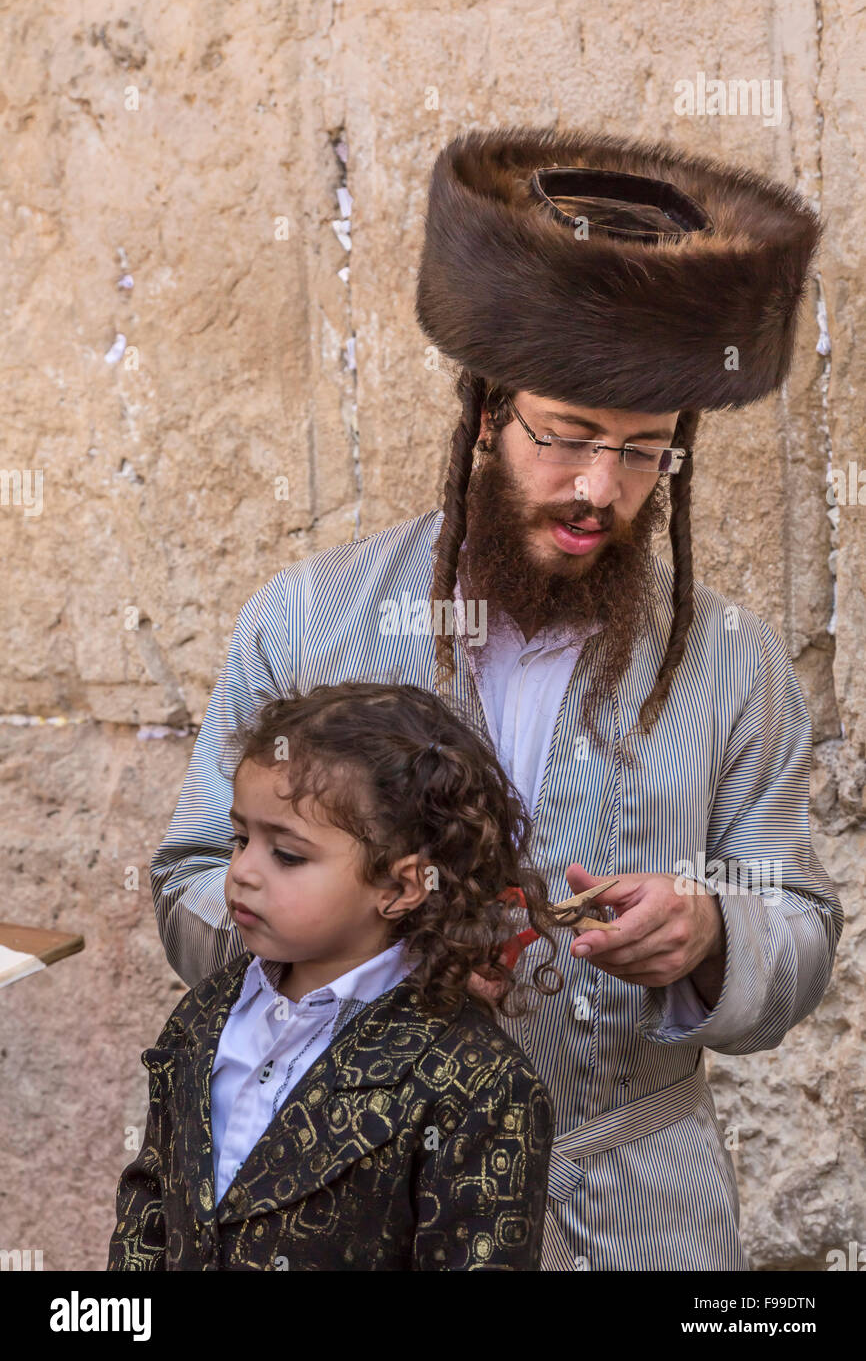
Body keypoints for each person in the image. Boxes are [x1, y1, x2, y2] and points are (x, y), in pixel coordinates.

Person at [145, 125, 843, 1270]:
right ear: (483, 418)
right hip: (361, 1194)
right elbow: (187, 882)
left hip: (637, 1216)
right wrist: (363, 950)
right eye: (564, 437)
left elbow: (801, 927)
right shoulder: (304, 620)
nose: (595, 489)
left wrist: (712, 932)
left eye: (639, 453)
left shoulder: (736, 665)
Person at [107, 682, 566, 1271]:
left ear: (400, 887)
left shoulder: (476, 1082)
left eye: (288, 855)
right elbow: (149, 1202)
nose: (242, 872)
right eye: (241, 838)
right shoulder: (206, 1013)